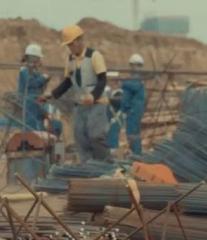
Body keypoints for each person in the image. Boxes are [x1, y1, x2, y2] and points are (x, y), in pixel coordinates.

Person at [41, 24, 110, 163]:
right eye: (69, 45)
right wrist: (53, 94)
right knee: (80, 138)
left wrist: (93, 96)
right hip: (80, 106)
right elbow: (68, 82)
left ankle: (107, 165)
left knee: (96, 136)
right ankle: (89, 167)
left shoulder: (94, 56)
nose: (71, 48)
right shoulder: (70, 60)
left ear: (79, 41)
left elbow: (102, 80)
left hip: (96, 104)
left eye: (71, 44)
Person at [18, 43, 51, 132]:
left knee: (39, 126)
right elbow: (32, 83)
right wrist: (43, 78)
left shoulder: (35, 71)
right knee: (30, 128)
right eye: (37, 58)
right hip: (29, 103)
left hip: (37, 103)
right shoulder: (24, 70)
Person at [121, 53, 146, 156]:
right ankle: (135, 153)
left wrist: (122, 82)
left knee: (132, 132)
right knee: (132, 132)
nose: (131, 67)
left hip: (133, 109)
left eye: (133, 65)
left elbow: (135, 86)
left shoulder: (136, 78)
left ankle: (137, 154)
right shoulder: (134, 77)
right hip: (131, 109)